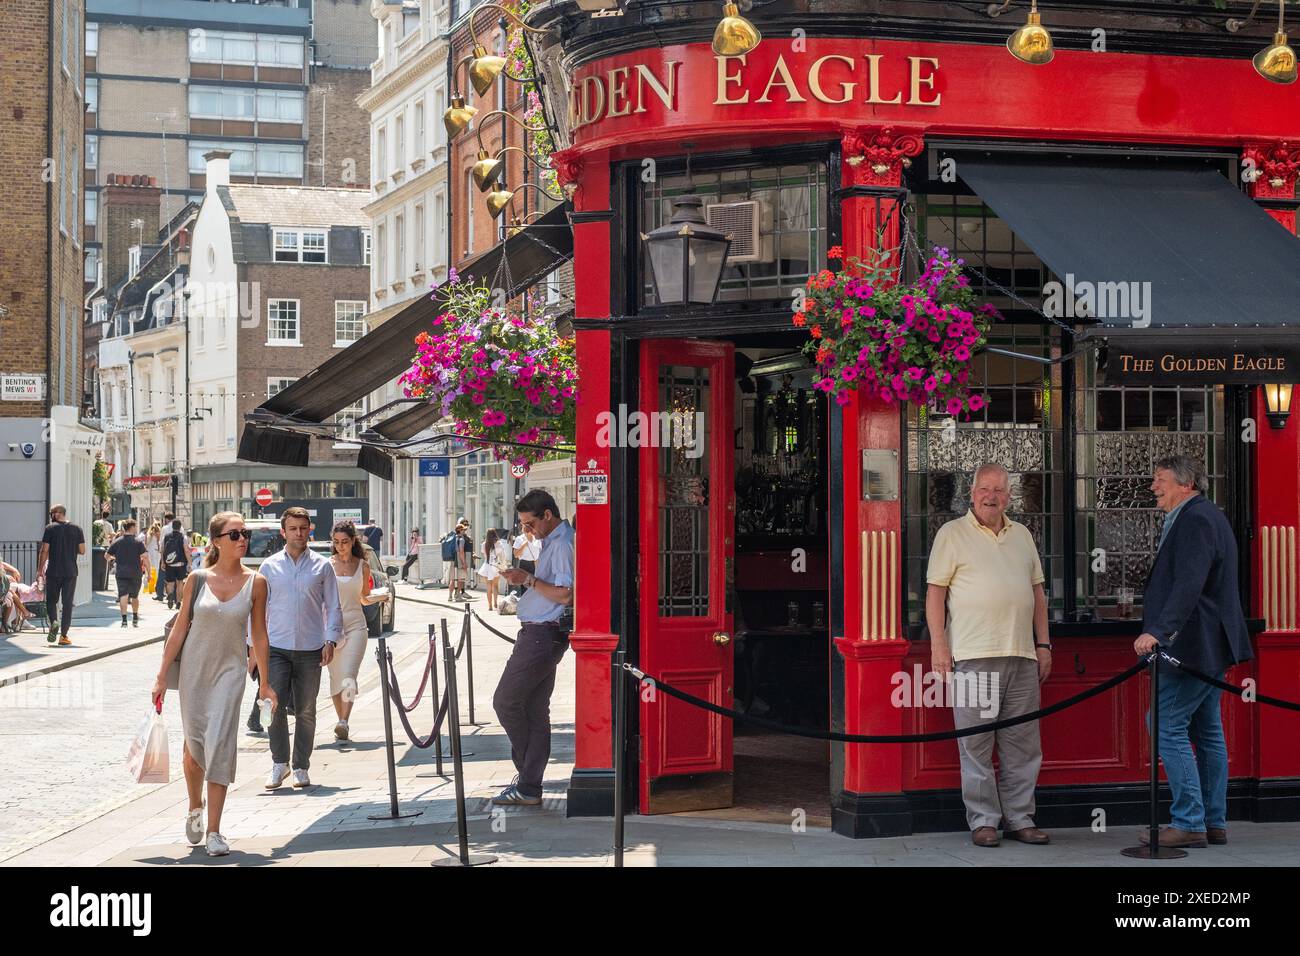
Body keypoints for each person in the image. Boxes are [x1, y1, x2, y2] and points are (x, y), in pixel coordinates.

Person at [925, 462, 1053, 848]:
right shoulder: (952, 533)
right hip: (973, 654)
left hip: (1021, 654)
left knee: (1023, 744)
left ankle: (1020, 819)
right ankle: (984, 822)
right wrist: (939, 646)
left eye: (999, 490)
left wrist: (1043, 644)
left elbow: (1038, 596)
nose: (991, 496)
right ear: (972, 493)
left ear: (1008, 496)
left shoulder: (1023, 535)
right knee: (976, 745)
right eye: (985, 489)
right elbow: (935, 594)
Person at [1133, 455, 1253, 849]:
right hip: (1209, 644)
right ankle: (1213, 820)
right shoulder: (1205, 515)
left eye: (1160, 480)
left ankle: (1189, 821)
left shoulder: (1196, 519)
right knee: (1207, 730)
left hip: (1191, 646)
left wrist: (1158, 632)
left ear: (1185, 484)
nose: (1154, 487)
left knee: (1164, 723)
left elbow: (1189, 583)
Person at [152, 512, 277, 857]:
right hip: (194, 672)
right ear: (216, 541)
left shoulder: (257, 583)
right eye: (234, 534)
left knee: (220, 743)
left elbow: (260, 636)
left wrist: (265, 684)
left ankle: (215, 831)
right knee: (194, 748)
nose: (242, 540)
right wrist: (162, 675)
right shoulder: (197, 579)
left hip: (230, 673)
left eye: (244, 534)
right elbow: (179, 629)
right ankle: (195, 805)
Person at [491, 491, 575, 806]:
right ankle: (529, 784)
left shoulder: (563, 544)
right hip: (542, 633)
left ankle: (528, 778)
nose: (529, 530)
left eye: (531, 523)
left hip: (542, 634)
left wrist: (527, 579)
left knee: (506, 702)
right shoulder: (553, 541)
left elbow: (566, 594)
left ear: (548, 515)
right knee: (536, 711)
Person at [259, 506, 343, 789]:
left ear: (310, 530)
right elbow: (258, 611)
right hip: (276, 647)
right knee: (273, 705)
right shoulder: (269, 566)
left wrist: (330, 639)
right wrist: (252, 649)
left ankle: (301, 766)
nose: (299, 533)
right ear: (283, 532)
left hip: (310, 647)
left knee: (306, 710)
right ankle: (279, 763)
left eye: (303, 528)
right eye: (293, 528)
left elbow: (333, 606)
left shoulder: (322, 566)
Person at [326, 521, 388, 741]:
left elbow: (364, 597)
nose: (340, 546)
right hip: (331, 629)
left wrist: (380, 597)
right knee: (335, 677)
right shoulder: (327, 565)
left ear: (353, 541)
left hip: (356, 626)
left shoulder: (363, 565)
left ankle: (344, 720)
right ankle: (340, 717)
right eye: (336, 542)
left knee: (349, 675)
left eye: (344, 542)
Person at [37, 504, 85, 646]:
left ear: (58, 513)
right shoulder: (77, 529)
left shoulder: (50, 528)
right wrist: (70, 548)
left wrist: (40, 569)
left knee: (51, 601)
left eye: (52, 513)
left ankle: (54, 623)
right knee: (67, 603)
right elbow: (82, 550)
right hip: (70, 571)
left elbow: (44, 550)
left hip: (53, 571)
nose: (51, 516)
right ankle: (64, 636)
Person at [107, 519, 149, 628]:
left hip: (121, 573)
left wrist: (114, 558)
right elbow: (145, 557)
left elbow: (106, 556)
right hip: (136, 572)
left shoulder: (117, 541)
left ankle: (124, 620)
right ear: (131, 528)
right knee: (135, 596)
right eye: (135, 527)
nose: (136, 529)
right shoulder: (138, 542)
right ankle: (135, 617)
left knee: (123, 595)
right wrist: (148, 572)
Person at [162, 519, 191, 610]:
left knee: (170, 582)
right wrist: (190, 562)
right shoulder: (183, 537)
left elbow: (162, 550)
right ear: (180, 527)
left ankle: (170, 595)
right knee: (180, 583)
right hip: (180, 563)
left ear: (172, 526)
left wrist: (163, 562)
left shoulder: (166, 537)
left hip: (169, 563)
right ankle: (178, 602)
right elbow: (186, 550)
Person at [482, 529, 511, 611]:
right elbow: (501, 555)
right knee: (495, 585)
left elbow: (484, 555)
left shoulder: (484, 544)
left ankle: (489, 605)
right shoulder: (498, 544)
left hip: (487, 566)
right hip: (495, 566)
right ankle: (495, 602)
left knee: (488, 586)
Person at [512, 524, 542, 597]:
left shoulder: (537, 538)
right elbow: (515, 554)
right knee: (525, 586)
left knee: (535, 586)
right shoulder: (520, 539)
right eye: (524, 527)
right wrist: (524, 545)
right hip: (524, 564)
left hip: (536, 563)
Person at [144, 522, 163, 601]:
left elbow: (146, 544)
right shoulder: (159, 534)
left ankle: (148, 586)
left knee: (148, 569)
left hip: (149, 552)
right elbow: (159, 544)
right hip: (156, 552)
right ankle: (156, 586)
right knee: (157, 569)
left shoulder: (149, 535)